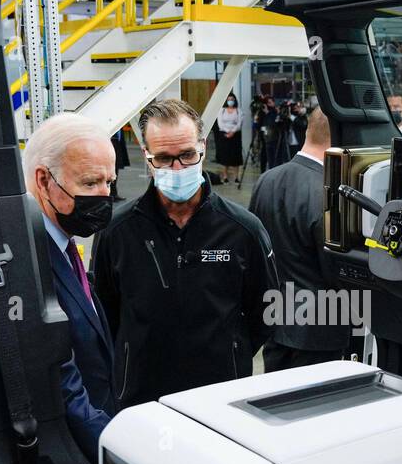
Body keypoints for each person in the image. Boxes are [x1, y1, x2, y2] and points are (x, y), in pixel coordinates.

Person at [94, 98, 279, 409]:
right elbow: (105, 314)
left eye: (187, 155)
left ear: (203, 147)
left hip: (221, 394)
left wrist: (232, 352)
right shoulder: (116, 231)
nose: (178, 168)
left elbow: (266, 310)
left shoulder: (242, 229)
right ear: (147, 157)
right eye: (164, 159)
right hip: (142, 396)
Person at [22, 113, 119, 462]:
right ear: (44, 180)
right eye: (91, 183)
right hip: (73, 455)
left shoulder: (64, 246)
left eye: (109, 182)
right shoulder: (28, 264)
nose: (104, 196)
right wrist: (120, 449)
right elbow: (62, 385)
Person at [248, 107, 350, 371]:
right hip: (320, 326)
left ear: (307, 131)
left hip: (275, 316)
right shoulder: (329, 194)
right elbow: (335, 271)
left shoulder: (266, 179)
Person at [213, 93, 243, 188]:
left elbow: (239, 123)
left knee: (236, 157)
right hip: (224, 135)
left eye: (232, 99)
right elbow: (220, 123)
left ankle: (236, 177)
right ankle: (225, 176)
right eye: (229, 99)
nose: (230, 101)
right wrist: (227, 132)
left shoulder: (238, 111)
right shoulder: (222, 111)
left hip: (235, 136)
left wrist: (232, 132)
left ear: (235, 100)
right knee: (225, 157)